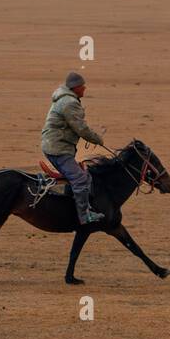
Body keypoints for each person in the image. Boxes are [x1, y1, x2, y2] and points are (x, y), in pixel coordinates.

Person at [41, 71, 107, 224]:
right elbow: (81, 129)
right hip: (58, 147)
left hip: (55, 144)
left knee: (80, 174)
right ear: (75, 87)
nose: (84, 89)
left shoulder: (65, 99)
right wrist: (97, 139)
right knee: (80, 179)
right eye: (82, 86)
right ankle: (84, 216)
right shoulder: (69, 103)